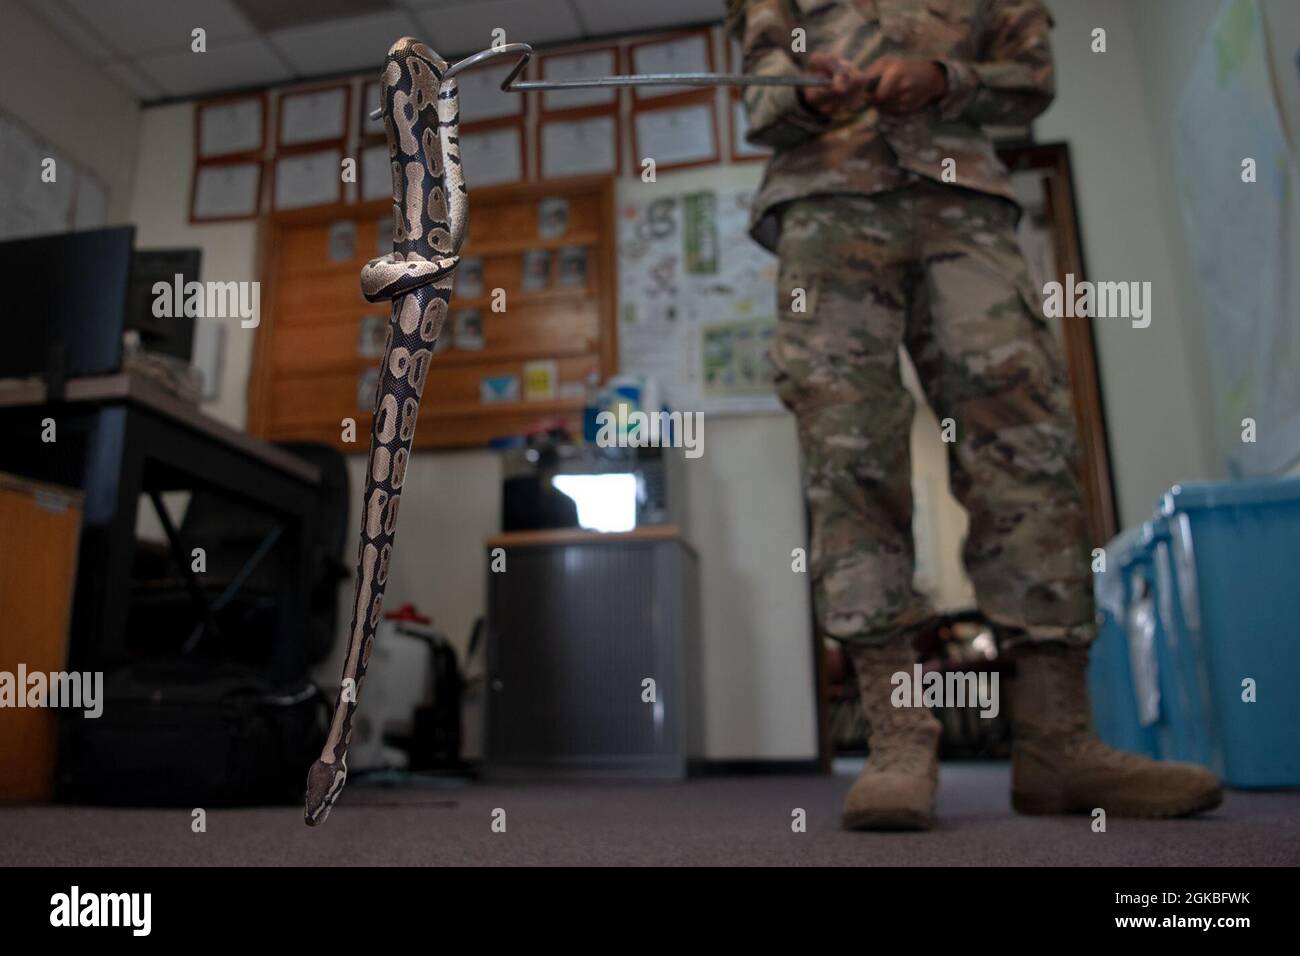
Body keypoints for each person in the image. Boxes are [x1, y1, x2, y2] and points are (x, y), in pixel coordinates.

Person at [726, 0, 1221, 830]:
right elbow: (760, 93)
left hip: (966, 199)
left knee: (1025, 443)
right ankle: (898, 742)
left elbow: (1032, 81)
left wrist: (946, 78)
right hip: (825, 201)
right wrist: (808, 96)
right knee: (850, 456)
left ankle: (1057, 744)